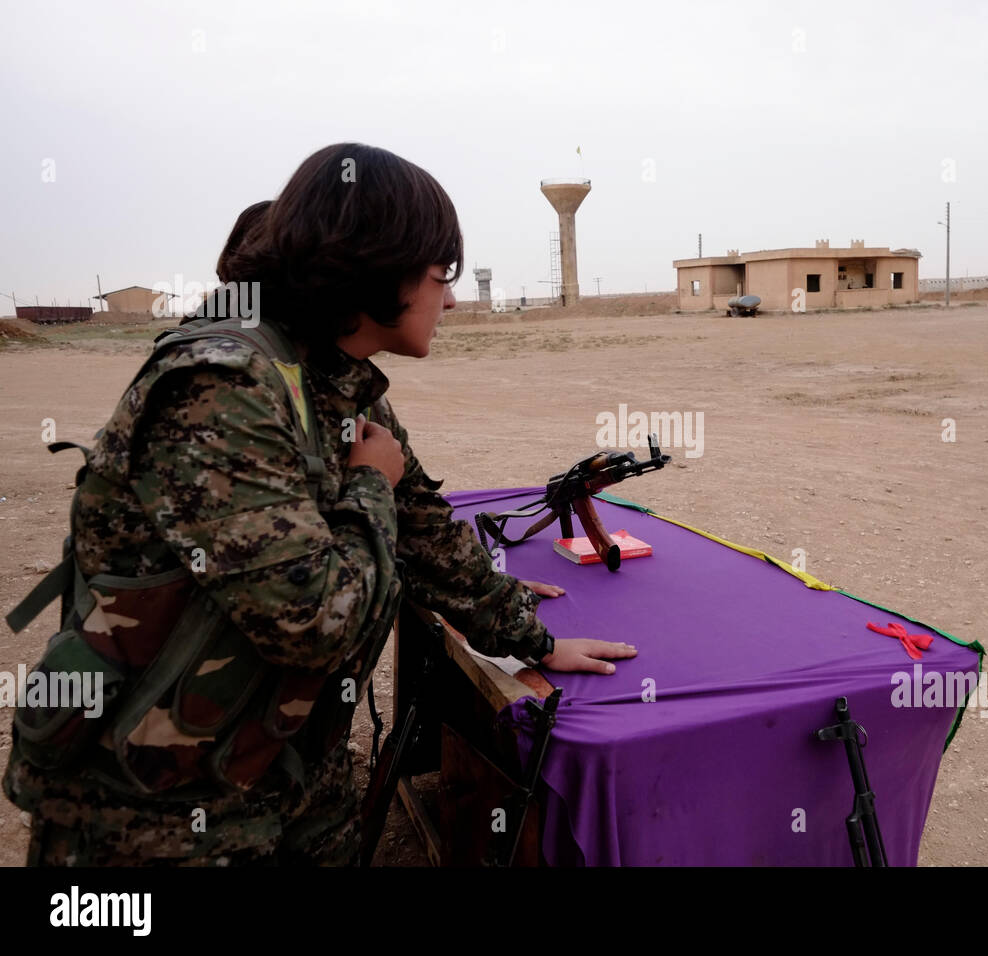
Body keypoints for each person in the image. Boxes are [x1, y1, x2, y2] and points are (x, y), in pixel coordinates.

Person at [3, 143, 635, 866]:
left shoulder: (334, 377)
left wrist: (535, 639)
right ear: (382, 267)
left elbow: (426, 532)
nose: (453, 300)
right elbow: (313, 624)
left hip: (288, 775)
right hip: (157, 812)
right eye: (441, 276)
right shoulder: (223, 388)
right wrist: (371, 483)